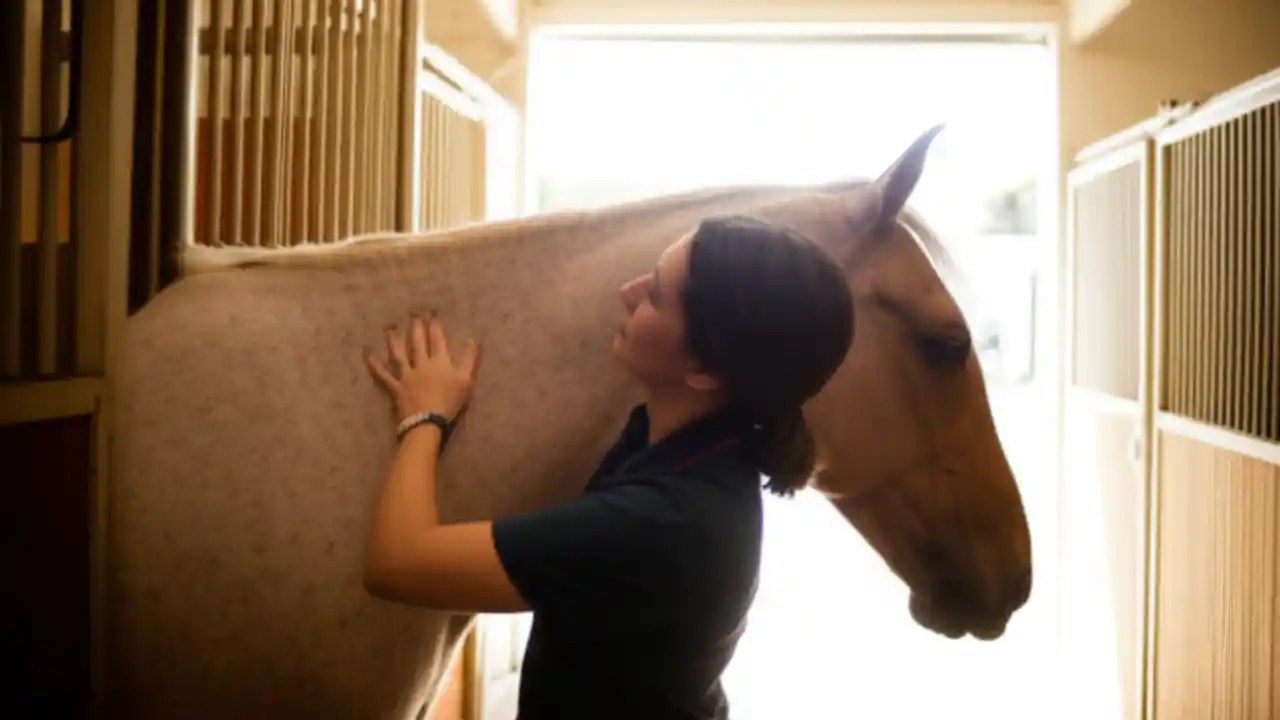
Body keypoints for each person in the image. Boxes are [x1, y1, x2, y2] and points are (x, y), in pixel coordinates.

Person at [361, 215, 855, 719]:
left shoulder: (662, 522)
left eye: (656, 295)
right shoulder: (696, 451)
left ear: (705, 370)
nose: (627, 292)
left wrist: (426, 415)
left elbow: (396, 564)